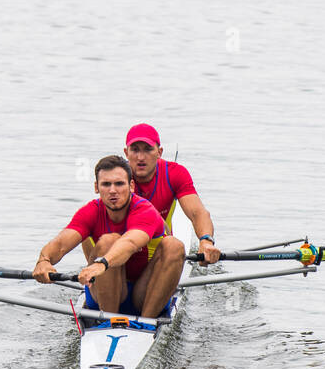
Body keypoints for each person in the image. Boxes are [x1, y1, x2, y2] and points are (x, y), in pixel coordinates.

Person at [32, 155, 185, 319]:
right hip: (102, 296)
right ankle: (110, 321)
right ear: (96, 187)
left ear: (131, 186)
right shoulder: (89, 212)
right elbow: (61, 243)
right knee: (107, 241)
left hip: (144, 293)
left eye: (119, 183)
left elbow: (131, 242)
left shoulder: (145, 210)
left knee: (174, 246)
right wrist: (44, 260)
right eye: (106, 184)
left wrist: (103, 263)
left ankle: (147, 322)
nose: (113, 190)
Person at [123, 123, 220, 265]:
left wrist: (206, 241)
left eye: (148, 149)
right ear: (126, 153)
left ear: (159, 152)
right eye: (135, 150)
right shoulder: (117, 177)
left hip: (161, 247)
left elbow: (197, 213)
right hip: (125, 246)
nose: (141, 157)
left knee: (173, 245)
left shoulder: (174, 173)